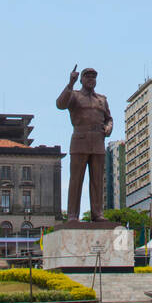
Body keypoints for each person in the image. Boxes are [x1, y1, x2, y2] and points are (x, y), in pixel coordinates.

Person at [55, 65, 113, 221]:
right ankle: (73, 215)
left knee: (97, 180)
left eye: (93, 77)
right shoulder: (73, 95)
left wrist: (108, 127)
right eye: (88, 77)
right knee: (76, 180)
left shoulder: (102, 99)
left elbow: (109, 118)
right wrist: (70, 84)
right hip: (80, 139)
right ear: (81, 79)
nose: (91, 80)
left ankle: (97, 213)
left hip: (98, 141)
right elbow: (60, 104)